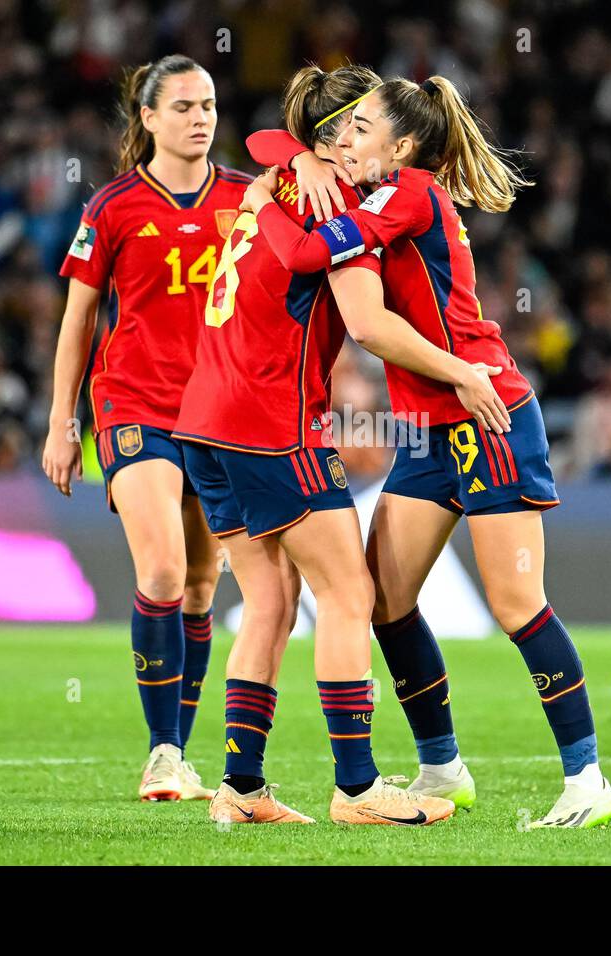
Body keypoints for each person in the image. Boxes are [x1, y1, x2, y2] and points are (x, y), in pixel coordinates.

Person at [247, 76, 611, 829]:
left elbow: (330, 274)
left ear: (403, 146)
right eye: (340, 132)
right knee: (383, 602)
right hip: (427, 432)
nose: (344, 140)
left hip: (487, 414)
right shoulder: (371, 196)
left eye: (359, 130)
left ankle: (587, 782)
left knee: (518, 606)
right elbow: (265, 142)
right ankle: (443, 768)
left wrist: (266, 202)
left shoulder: (407, 194)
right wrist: (303, 162)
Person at [175, 64, 504, 825]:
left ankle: (242, 788)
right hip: (270, 421)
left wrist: (289, 162)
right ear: (343, 132)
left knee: (269, 603)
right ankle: (357, 788)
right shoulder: (344, 199)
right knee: (350, 594)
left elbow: (266, 141)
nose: (366, 139)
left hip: (204, 417)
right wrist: (461, 370)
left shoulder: (281, 182)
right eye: (358, 124)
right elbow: (361, 319)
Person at [42, 56, 258, 801]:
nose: (202, 118)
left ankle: (180, 752)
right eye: (186, 106)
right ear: (149, 118)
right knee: (163, 571)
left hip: (221, 415)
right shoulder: (113, 207)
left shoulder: (247, 199)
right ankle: (163, 752)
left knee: (202, 587)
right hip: (135, 406)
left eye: (210, 105)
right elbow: (77, 321)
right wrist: (62, 422)